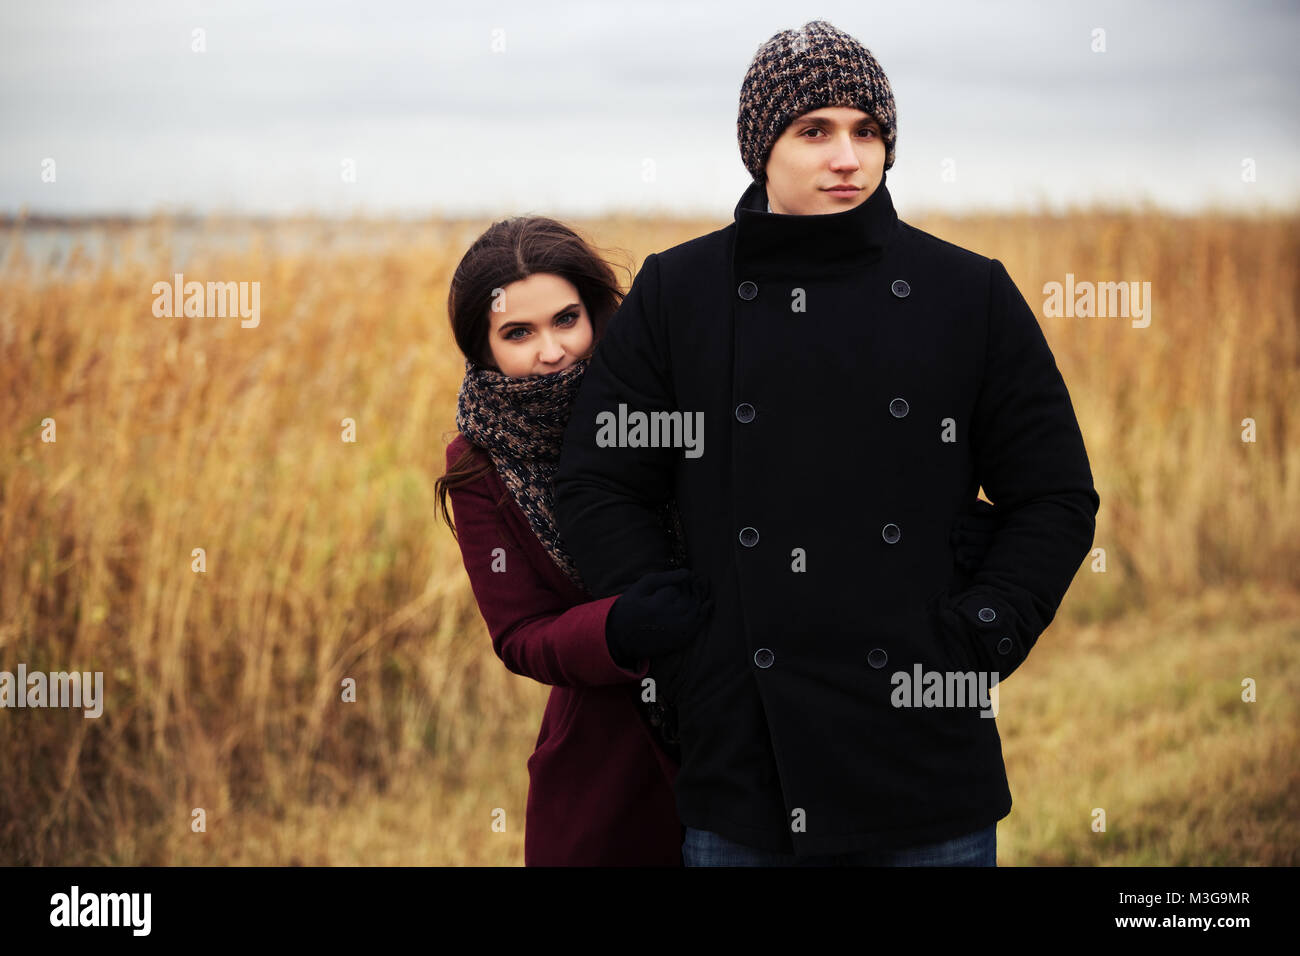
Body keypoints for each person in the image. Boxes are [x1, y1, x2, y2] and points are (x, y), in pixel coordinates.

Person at [553, 20, 1100, 866]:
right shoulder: (681, 291)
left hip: (922, 756)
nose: (848, 156)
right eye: (815, 131)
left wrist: (982, 632)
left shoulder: (966, 292)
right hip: (742, 759)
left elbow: (1054, 496)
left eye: (867, 131)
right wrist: (680, 642)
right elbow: (600, 480)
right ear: (760, 148)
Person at [436, 215, 710, 866]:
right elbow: (521, 633)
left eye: (566, 319)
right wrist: (616, 629)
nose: (551, 349)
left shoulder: (672, 398)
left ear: (597, 313)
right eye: (518, 333)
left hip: (735, 728)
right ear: (482, 346)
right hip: (609, 769)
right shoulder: (479, 462)